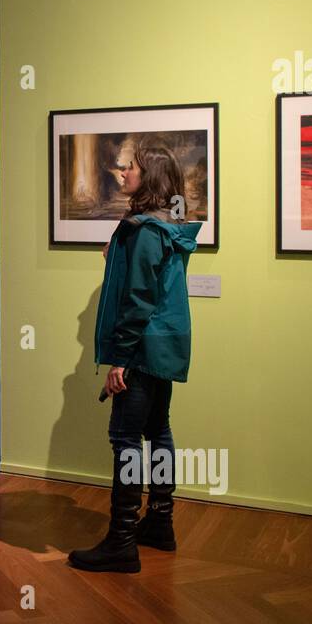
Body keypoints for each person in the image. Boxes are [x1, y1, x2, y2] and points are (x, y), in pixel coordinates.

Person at [69, 140, 201, 574]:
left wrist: (120, 360)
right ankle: (159, 523)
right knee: (157, 429)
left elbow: (138, 298)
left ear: (152, 177)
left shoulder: (146, 230)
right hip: (165, 342)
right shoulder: (166, 222)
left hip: (142, 347)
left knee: (126, 439)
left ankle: (122, 542)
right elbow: (148, 276)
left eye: (132, 168)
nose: (122, 172)